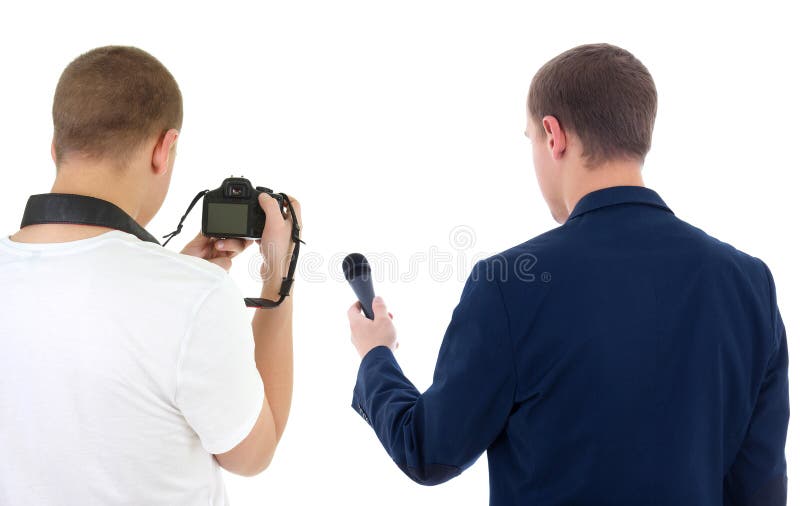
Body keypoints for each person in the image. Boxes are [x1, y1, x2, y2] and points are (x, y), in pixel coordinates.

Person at [347, 43, 788, 505]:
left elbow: (429, 450)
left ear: (553, 134)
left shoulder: (509, 284)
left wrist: (376, 355)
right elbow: (761, 492)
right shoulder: (749, 285)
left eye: (530, 139)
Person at [0, 46, 301, 505]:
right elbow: (254, 454)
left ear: (55, 147)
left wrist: (180, 277)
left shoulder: (189, 292)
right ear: (164, 149)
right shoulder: (194, 298)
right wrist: (277, 279)